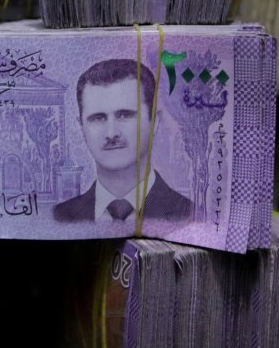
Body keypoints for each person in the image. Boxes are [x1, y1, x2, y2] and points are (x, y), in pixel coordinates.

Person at [54, 58, 192, 224]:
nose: (111, 133)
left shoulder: (191, 215)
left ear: (154, 122)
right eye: (98, 118)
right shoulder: (59, 217)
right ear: (82, 127)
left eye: (125, 115)